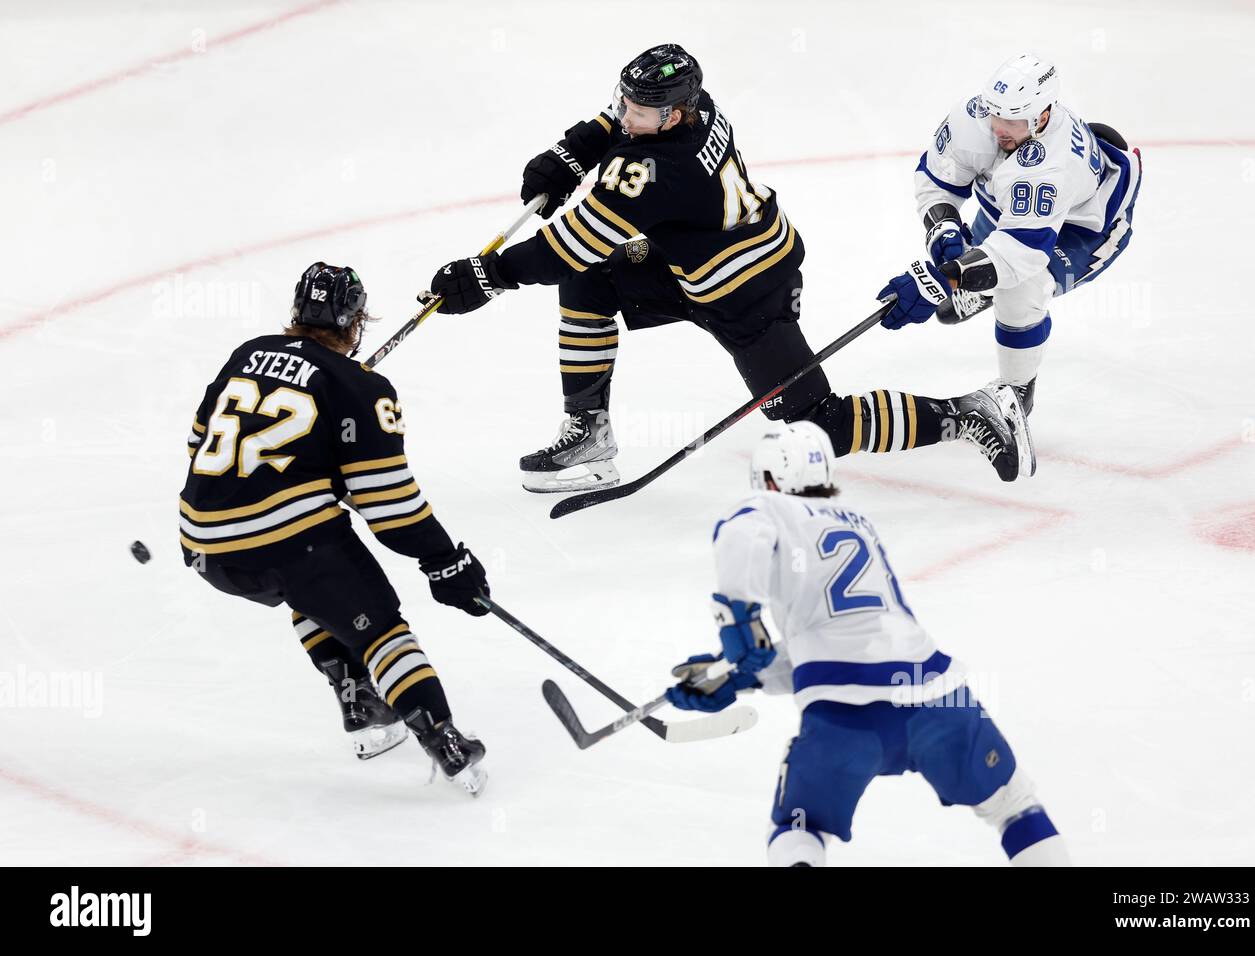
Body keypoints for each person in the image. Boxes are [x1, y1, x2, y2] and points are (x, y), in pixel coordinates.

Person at [428, 44, 1033, 489]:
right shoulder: (699, 108)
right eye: (627, 102)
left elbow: (567, 245)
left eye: (641, 111)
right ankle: (589, 430)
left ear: (672, 116)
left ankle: (966, 414)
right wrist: (567, 154)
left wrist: (485, 277)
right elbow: (614, 125)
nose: (625, 114)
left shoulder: (649, 173)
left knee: (813, 423)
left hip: (748, 293)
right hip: (697, 265)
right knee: (591, 279)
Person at [665, 421, 1070, 866]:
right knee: (1014, 806)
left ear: (768, 479)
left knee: (800, 829)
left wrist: (737, 616)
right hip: (936, 694)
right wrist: (743, 677)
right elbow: (839, 641)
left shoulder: (767, 508)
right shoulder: (859, 524)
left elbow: (742, 534)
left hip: (846, 714)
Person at [180, 262, 490, 794]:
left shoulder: (246, 353)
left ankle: (364, 705)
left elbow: (199, 443)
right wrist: (446, 561)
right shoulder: (361, 387)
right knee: (379, 628)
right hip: (286, 537)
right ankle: (444, 740)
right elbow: (389, 503)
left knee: (310, 585)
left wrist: (316, 464)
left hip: (204, 543)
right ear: (355, 324)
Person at [877, 53, 1142, 417]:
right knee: (971, 261)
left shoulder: (1051, 165)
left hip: (1086, 227)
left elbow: (1018, 254)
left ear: (1042, 116)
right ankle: (979, 289)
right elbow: (937, 181)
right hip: (1012, 206)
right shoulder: (978, 119)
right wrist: (944, 233)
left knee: (1019, 289)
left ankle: (1016, 395)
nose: (999, 125)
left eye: (1013, 119)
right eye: (995, 112)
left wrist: (948, 278)